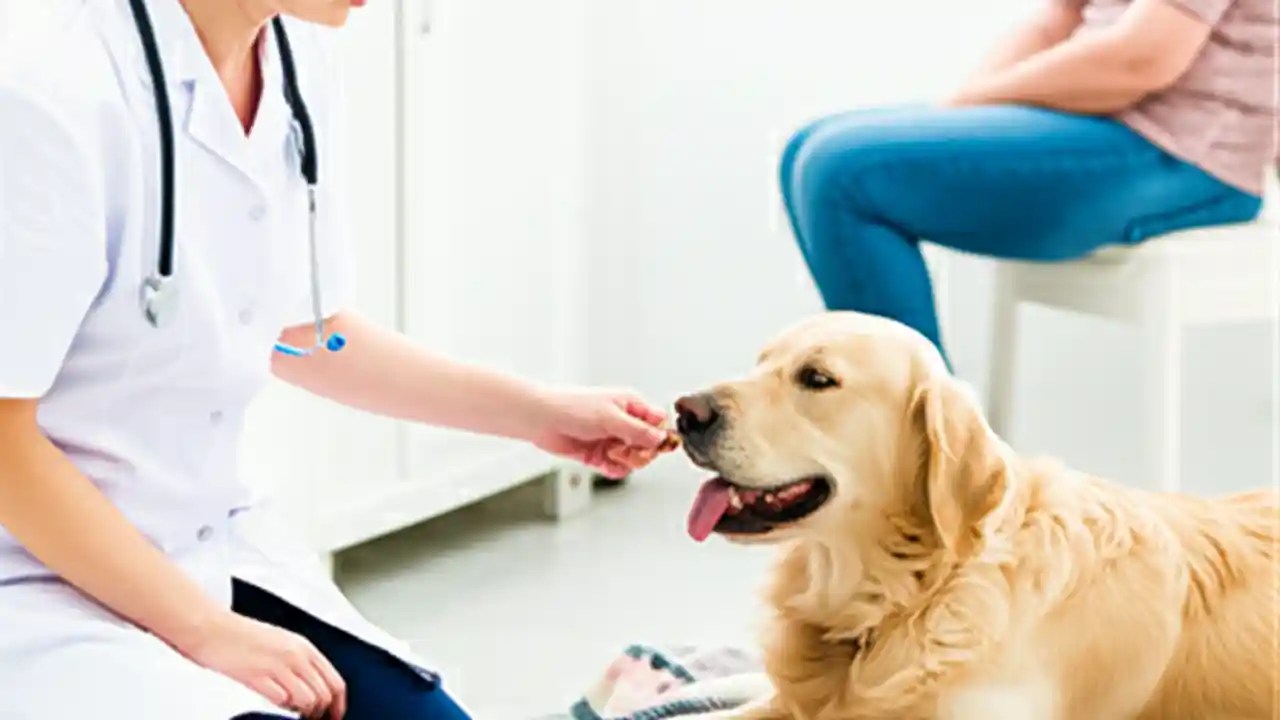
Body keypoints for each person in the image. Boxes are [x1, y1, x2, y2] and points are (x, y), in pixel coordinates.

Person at [0, 1, 673, 718]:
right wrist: (205, 631)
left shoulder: (289, 54)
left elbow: (304, 331)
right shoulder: (45, 92)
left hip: (199, 544)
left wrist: (538, 414)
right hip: (34, 582)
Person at [780, 0, 1278, 366]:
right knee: (809, 150)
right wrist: (966, 108)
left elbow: (1142, 59)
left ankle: (930, 467)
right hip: (1102, 125)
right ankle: (921, 452)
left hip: (1185, 153)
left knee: (841, 170)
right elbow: (1054, 21)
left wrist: (980, 101)